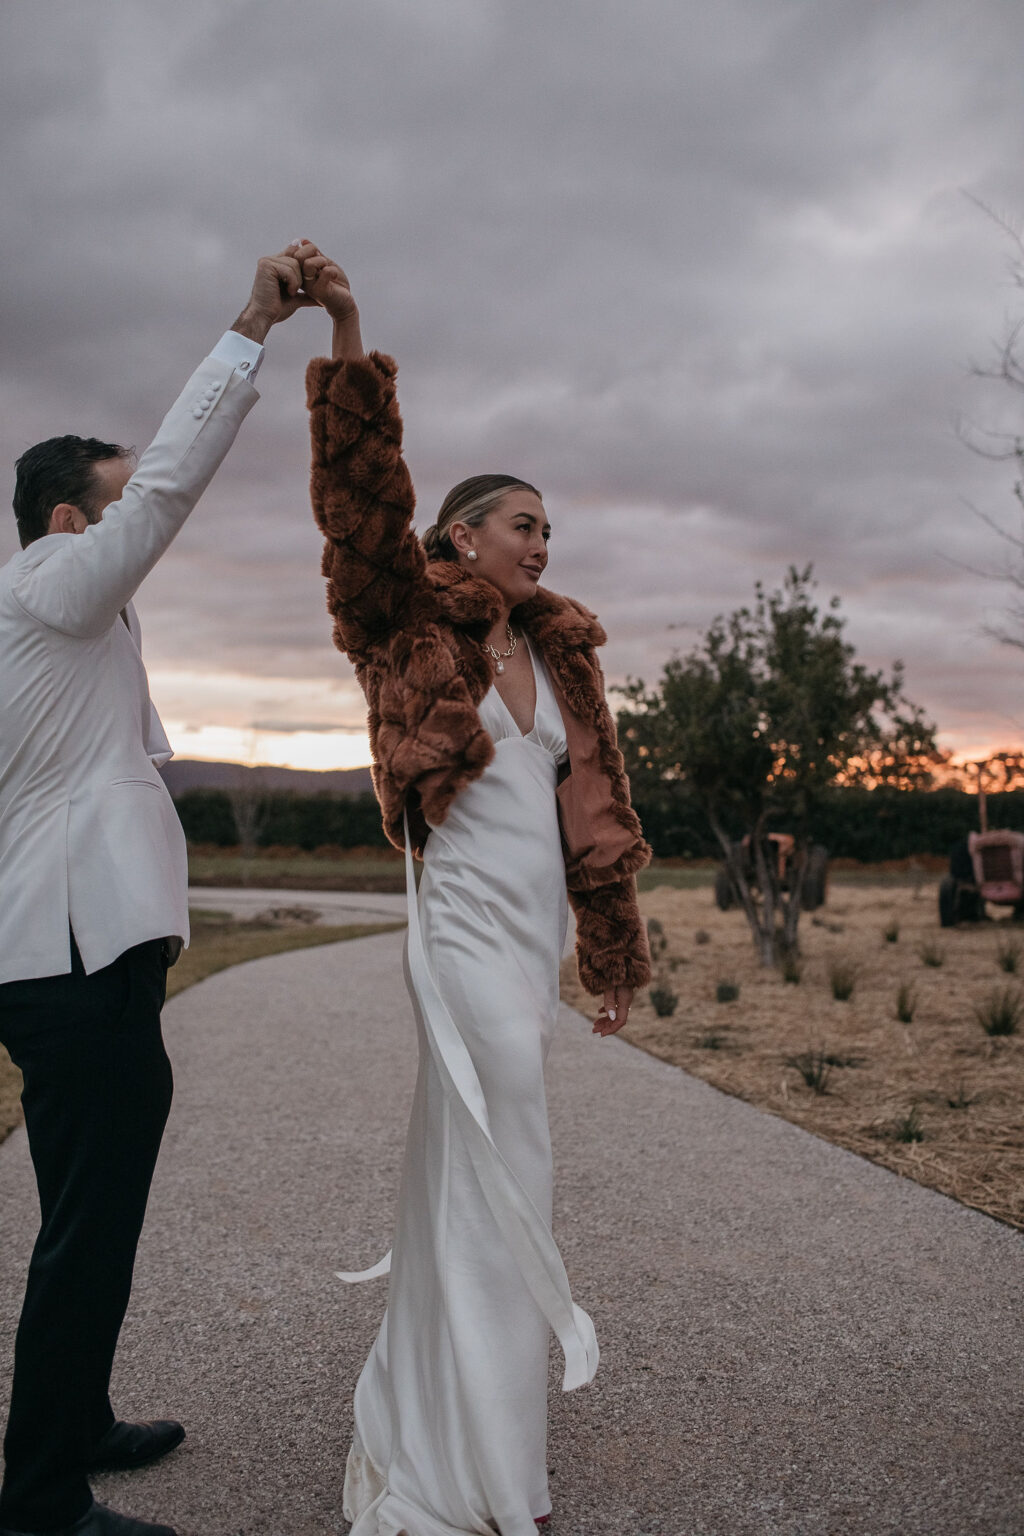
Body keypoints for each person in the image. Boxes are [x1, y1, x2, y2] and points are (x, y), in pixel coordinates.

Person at [298, 241, 652, 1536]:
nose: (544, 542)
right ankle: (478, 1468)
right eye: (524, 522)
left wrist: (610, 956)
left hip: (530, 941)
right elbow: (351, 506)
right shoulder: (410, 624)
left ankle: (471, 1422)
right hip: (457, 939)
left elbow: (597, 826)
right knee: (512, 1147)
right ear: (460, 535)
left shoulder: (562, 661)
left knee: (482, 1167)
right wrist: (344, 333)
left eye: (552, 527)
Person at [0, 246, 313, 1536]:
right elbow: (171, 485)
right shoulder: (54, 586)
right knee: (88, 1221)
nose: (146, 532)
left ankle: (73, 1426)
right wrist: (250, 331)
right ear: (73, 521)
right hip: (72, 962)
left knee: (87, 1205)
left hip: (74, 955)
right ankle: (38, 1500)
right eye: (118, 508)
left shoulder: (69, 626)